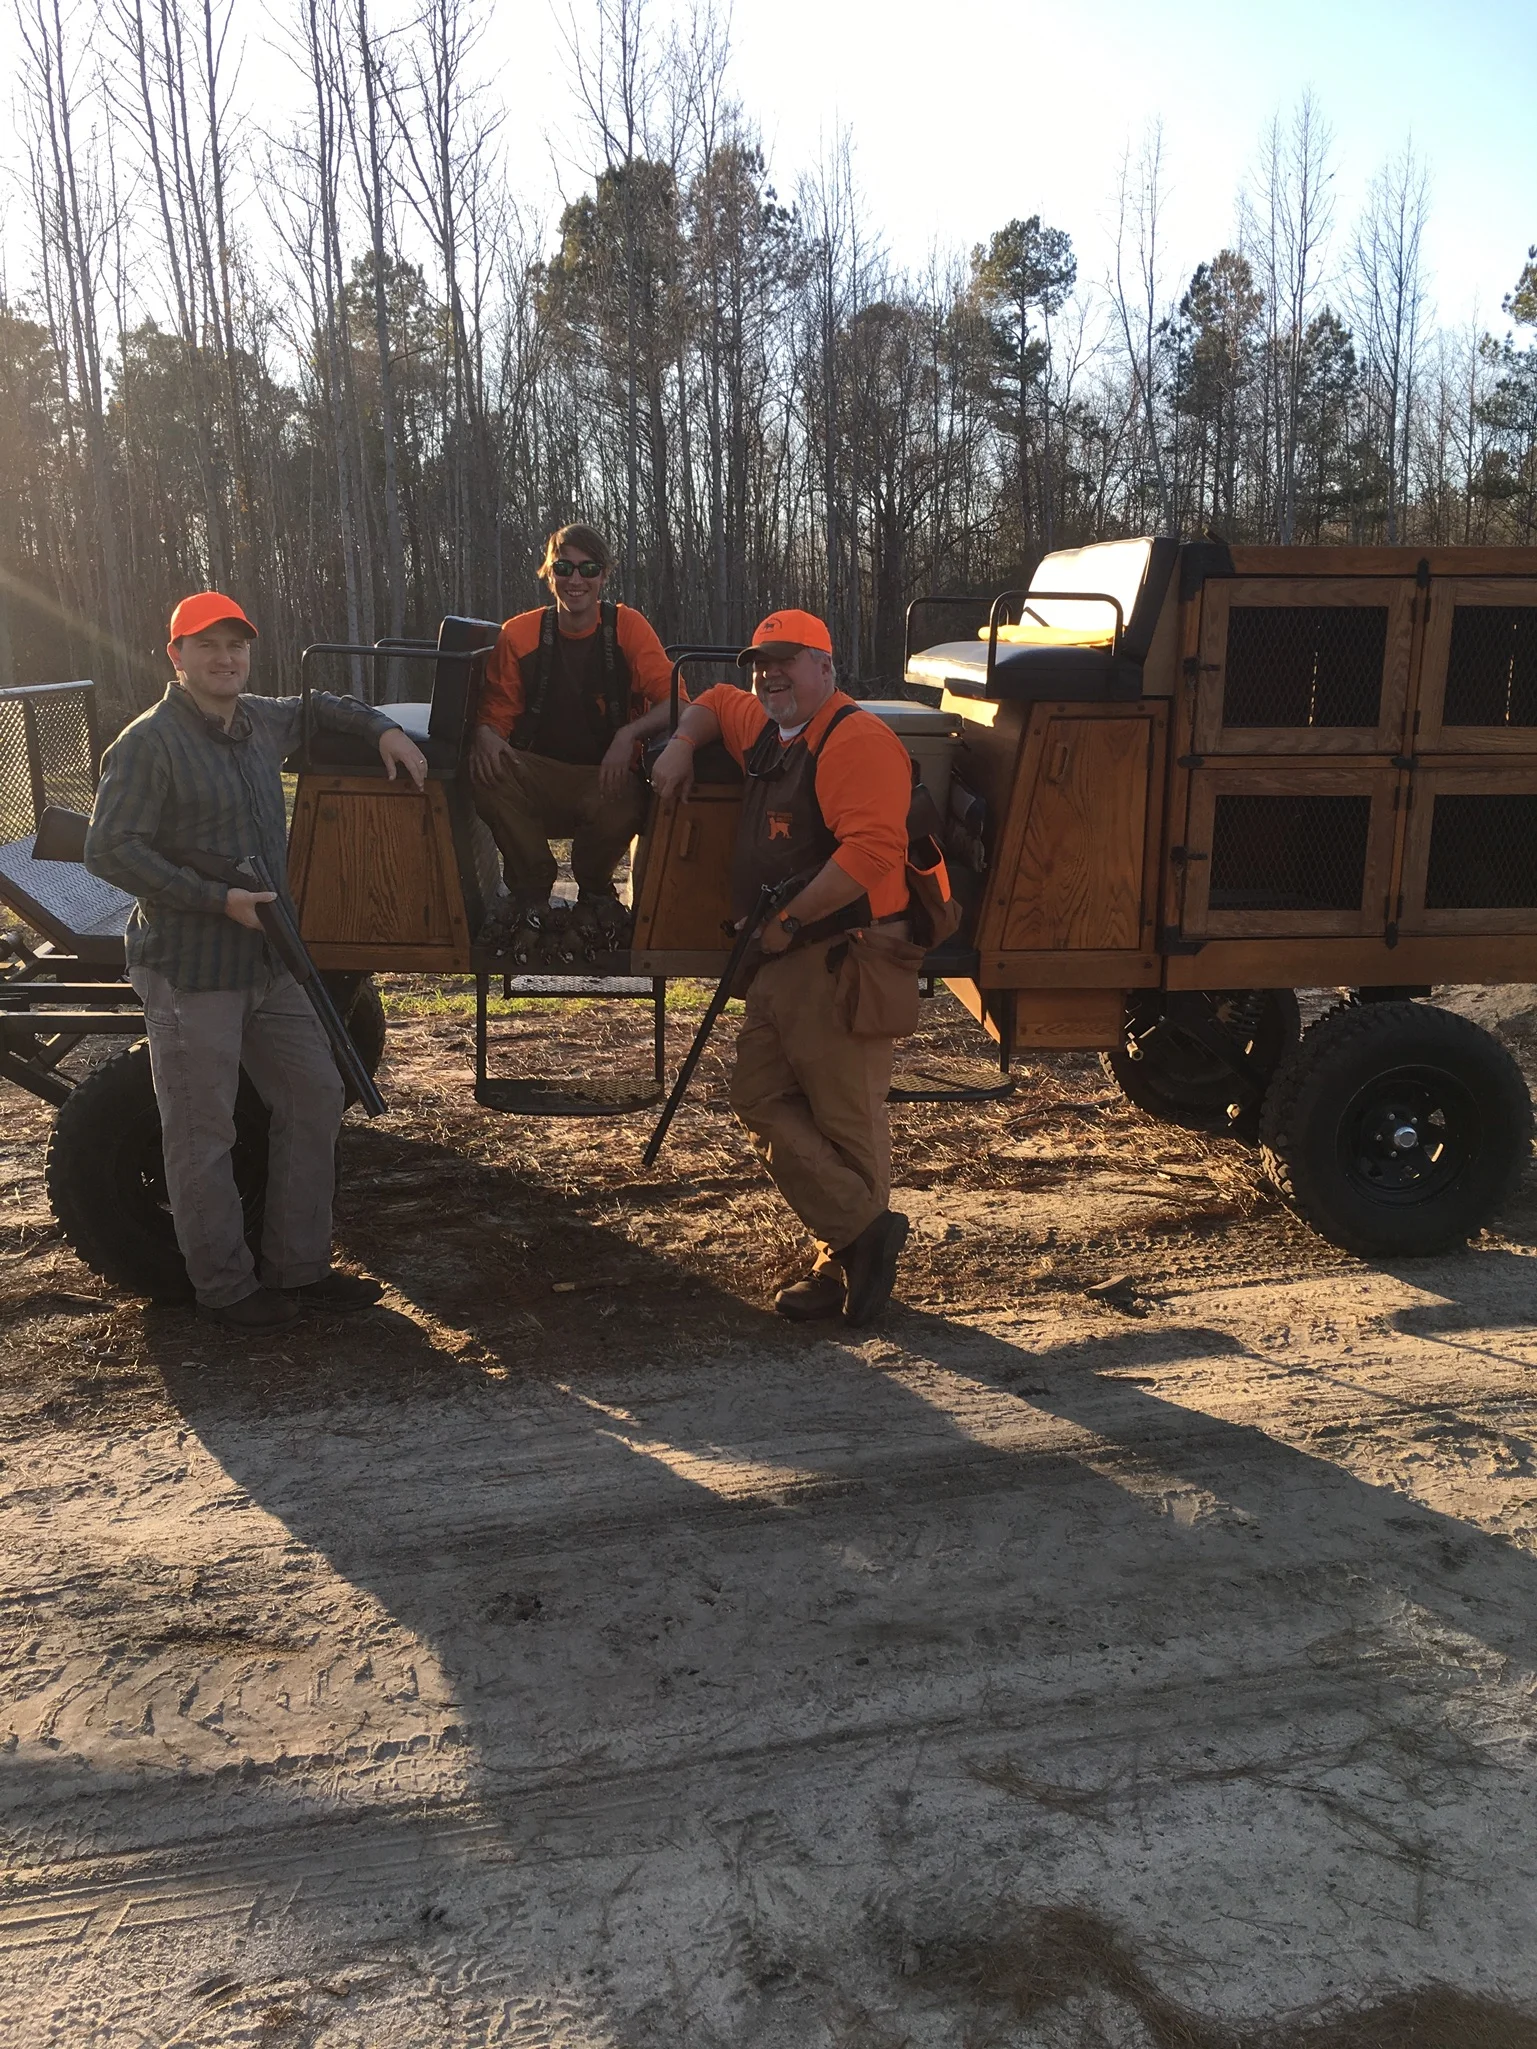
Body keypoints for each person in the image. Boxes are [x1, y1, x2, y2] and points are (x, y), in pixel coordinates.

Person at [84, 591, 429, 1331]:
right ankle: (226, 1290)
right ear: (175, 657)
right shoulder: (148, 742)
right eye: (206, 645)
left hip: (270, 959)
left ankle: (298, 1270)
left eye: (235, 645)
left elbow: (321, 705)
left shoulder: (259, 719)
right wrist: (215, 898)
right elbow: (109, 849)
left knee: (312, 1094)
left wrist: (383, 733)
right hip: (190, 964)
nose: (224, 658)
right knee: (202, 1131)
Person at [650, 608, 937, 1326]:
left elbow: (870, 853)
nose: (768, 674)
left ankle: (843, 1265)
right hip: (784, 957)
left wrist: (785, 920)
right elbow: (714, 702)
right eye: (760, 663)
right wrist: (682, 742)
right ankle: (857, 1235)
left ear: (826, 669)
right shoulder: (772, 728)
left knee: (844, 1119)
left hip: (844, 955)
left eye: (787, 659)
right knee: (758, 1096)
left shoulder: (853, 738)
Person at [471, 525, 678, 912]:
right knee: (485, 769)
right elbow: (497, 711)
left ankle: (595, 890)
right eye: (564, 567)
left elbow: (676, 701)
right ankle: (532, 893)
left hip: (606, 778)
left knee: (630, 798)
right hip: (538, 774)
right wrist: (485, 733)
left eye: (589, 568)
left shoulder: (627, 627)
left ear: (604, 575)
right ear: (549, 574)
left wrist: (628, 735)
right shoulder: (517, 634)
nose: (576, 579)